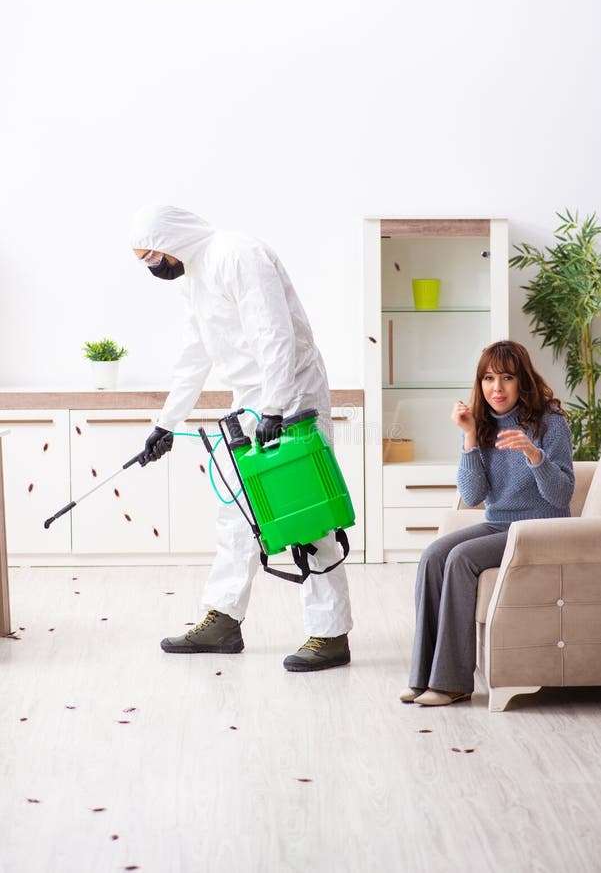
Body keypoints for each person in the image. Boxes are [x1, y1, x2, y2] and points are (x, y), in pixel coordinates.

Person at [130, 204, 352, 672]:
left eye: (151, 256)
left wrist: (276, 406)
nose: (153, 268)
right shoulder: (194, 278)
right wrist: (166, 422)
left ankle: (330, 634)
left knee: (304, 516)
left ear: (171, 239)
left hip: (291, 392)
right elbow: (195, 354)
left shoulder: (237, 253)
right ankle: (223, 620)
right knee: (235, 513)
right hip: (252, 399)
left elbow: (274, 332)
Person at [400, 340, 575, 707]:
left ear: (522, 380)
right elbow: (474, 493)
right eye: (489, 378)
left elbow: (560, 496)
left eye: (507, 378)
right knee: (433, 555)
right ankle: (423, 677)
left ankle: (452, 683)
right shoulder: (480, 425)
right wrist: (468, 438)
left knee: (461, 559)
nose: (497, 388)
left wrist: (533, 453)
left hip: (540, 530)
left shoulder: (551, 423)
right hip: (498, 525)